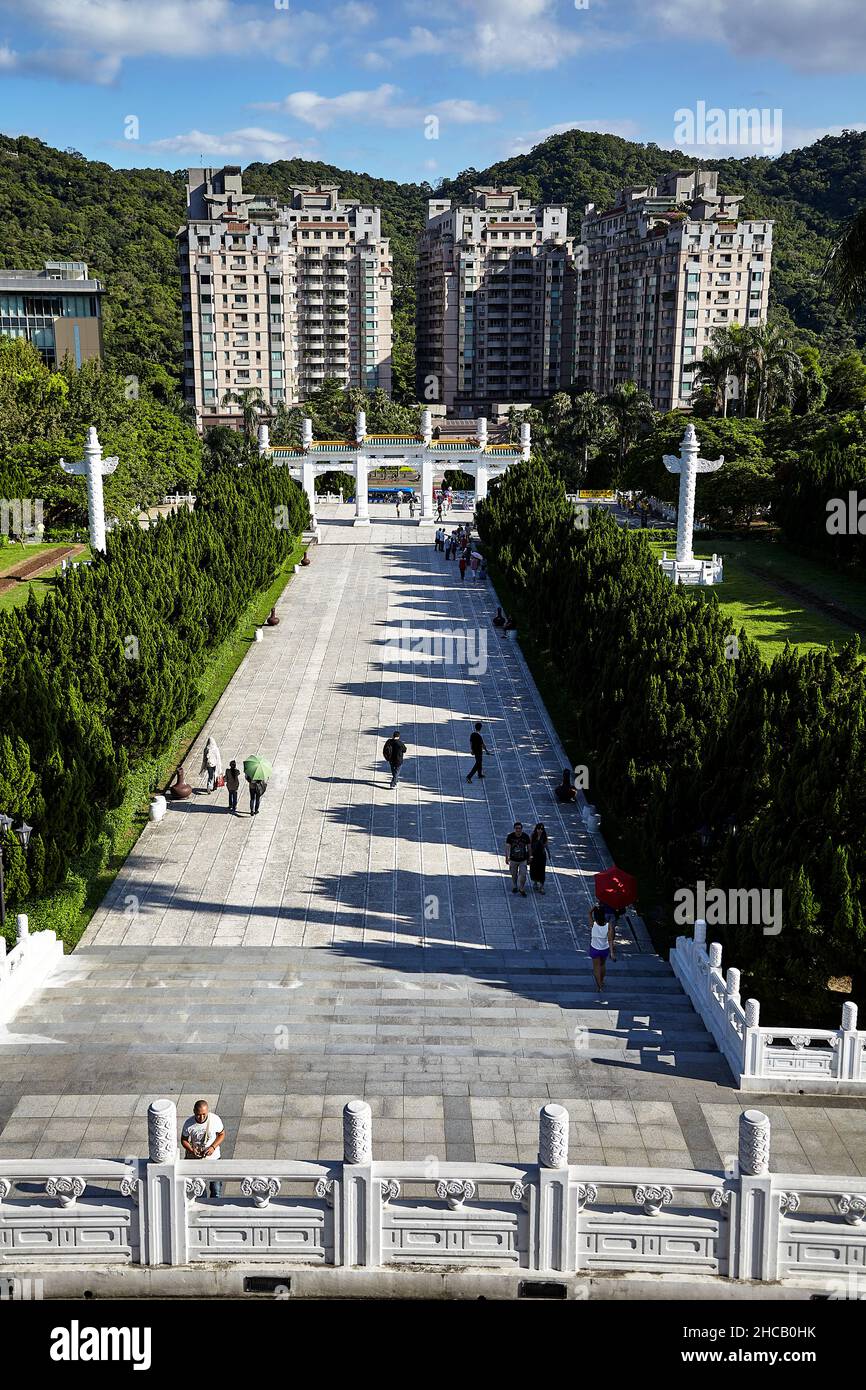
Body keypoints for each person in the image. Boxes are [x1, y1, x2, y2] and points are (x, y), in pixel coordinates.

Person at [181, 1099, 226, 1199]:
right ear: (194, 1111)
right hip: (196, 1160)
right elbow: (184, 1140)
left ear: (208, 1111)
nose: (201, 1117)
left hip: (214, 1158)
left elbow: (222, 1134)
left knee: (216, 1189)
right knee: (200, 1189)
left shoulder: (215, 1119)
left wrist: (213, 1147)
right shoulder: (189, 1123)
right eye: (198, 1114)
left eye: (204, 1114)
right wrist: (192, 1150)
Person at [588, 901, 617, 992]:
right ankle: (602, 980)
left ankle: (599, 986)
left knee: (596, 968)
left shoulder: (593, 924)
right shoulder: (609, 926)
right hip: (604, 949)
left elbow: (589, 913)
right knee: (602, 965)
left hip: (594, 949)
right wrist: (612, 953)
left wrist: (594, 907)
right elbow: (610, 939)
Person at [505, 821, 531, 896]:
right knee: (513, 874)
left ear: (522, 829)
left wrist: (530, 856)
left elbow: (529, 847)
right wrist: (507, 857)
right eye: (516, 828)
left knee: (523, 874)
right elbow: (507, 847)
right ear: (514, 829)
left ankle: (521, 888)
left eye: (519, 828)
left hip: (523, 859)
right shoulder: (510, 836)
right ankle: (515, 886)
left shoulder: (525, 836)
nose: (518, 830)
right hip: (513, 859)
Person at [529, 824, 549, 894]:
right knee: (534, 869)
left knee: (542, 870)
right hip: (534, 856)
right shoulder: (533, 836)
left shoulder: (544, 837)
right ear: (536, 829)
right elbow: (530, 846)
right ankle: (535, 881)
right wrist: (530, 855)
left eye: (541, 829)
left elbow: (546, 845)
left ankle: (542, 886)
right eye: (538, 829)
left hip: (541, 856)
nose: (540, 830)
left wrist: (549, 854)